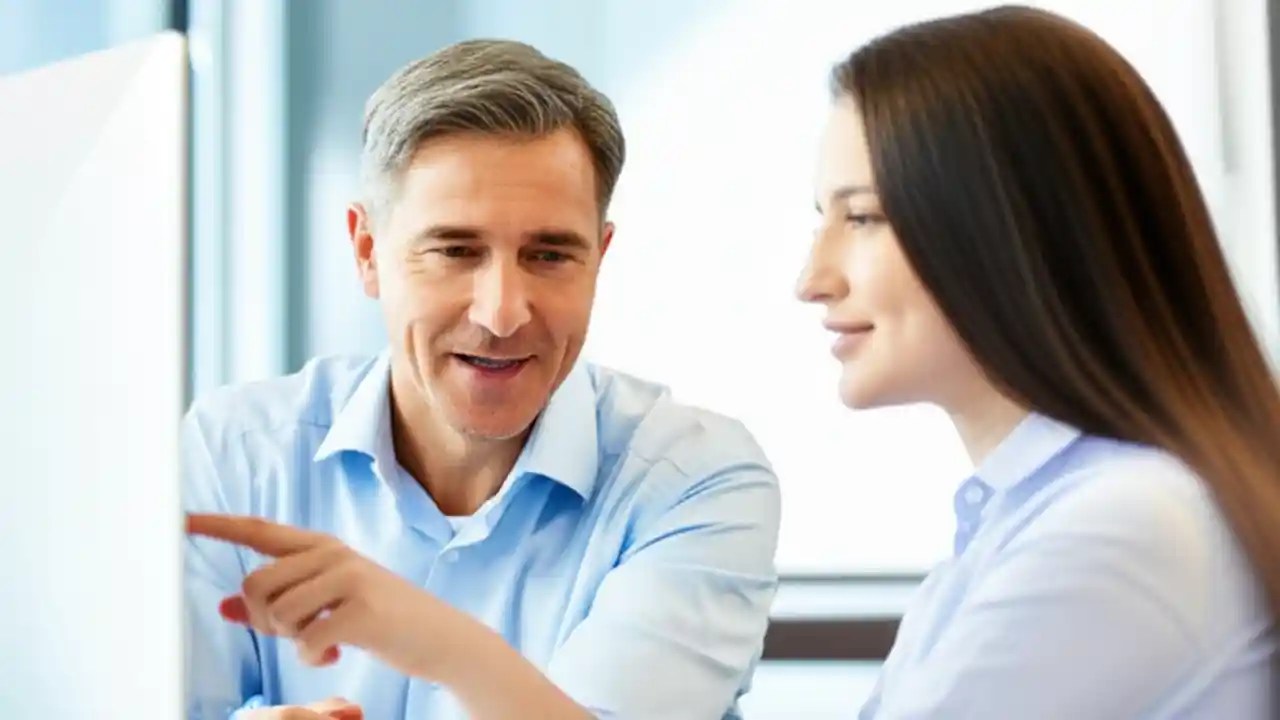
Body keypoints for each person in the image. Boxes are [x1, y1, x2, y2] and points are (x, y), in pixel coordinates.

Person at [183, 39, 780, 720]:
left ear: (599, 259)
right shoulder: (234, 454)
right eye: (455, 251)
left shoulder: (693, 481)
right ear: (368, 251)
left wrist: (425, 636)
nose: (501, 313)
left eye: (549, 254)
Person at [797, 6, 1280, 718]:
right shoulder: (1025, 518)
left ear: (1007, 226)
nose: (813, 278)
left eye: (863, 217)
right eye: (823, 219)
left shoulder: (1123, 526)